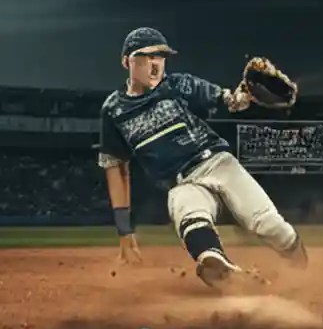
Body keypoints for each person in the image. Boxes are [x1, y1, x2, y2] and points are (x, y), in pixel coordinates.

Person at [97, 27, 308, 287]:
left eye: (160, 57)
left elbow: (229, 100)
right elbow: (115, 167)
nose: (154, 65)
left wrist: (245, 95)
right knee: (189, 212)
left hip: (217, 163)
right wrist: (124, 232)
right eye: (146, 56)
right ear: (126, 61)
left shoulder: (178, 84)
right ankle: (217, 265)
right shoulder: (113, 110)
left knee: (270, 226)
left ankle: (306, 275)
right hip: (182, 182)